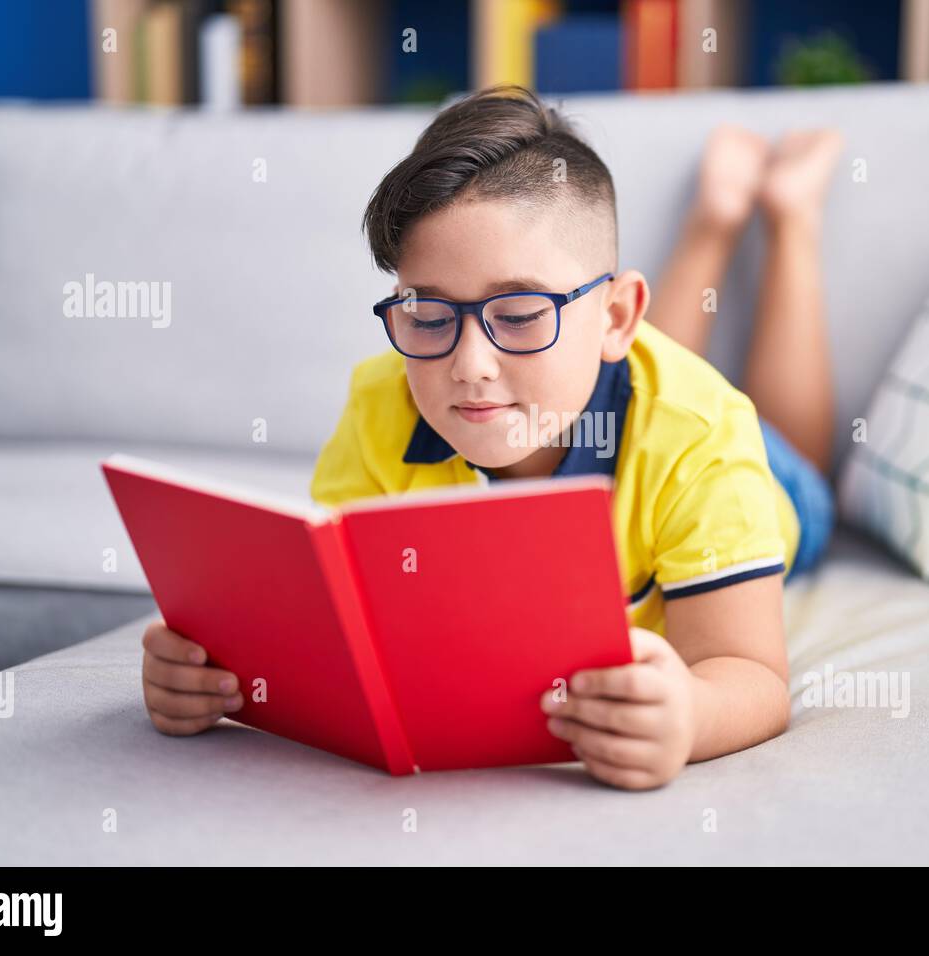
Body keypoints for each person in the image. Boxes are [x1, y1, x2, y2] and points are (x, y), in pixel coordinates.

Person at [139, 86, 842, 791]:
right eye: (427, 313)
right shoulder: (384, 399)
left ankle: (781, 215)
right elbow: (331, 618)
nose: (469, 367)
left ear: (617, 313)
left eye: (521, 311)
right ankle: (713, 218)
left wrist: (691, 712)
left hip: (770, 485)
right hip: (624, 384)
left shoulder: (706, 438)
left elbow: (751, 675)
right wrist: (211, 670)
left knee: (785, 446)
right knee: (625, 377)